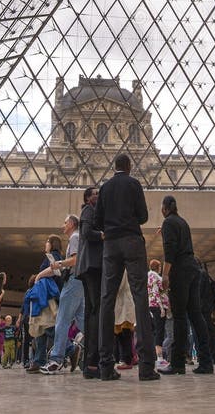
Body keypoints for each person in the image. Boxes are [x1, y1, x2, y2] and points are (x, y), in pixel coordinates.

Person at [95, 153, 159, 381]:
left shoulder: (105, 188)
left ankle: (105, 366)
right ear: (129, 166)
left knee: (107, 300)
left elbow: (97, 221)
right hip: (132, 241)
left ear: (115, 166)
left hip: (111, 245)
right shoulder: (133, 184)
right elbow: (143, 216)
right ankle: (146, 366)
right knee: (140, 297)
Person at [159, 194, 213, 375]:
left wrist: (165, 275)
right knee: (196, 315)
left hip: (180, 271)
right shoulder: (182, 222)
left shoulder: (168, 223)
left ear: (164, 209)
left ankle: (177, 364)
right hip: (192, 268)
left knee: (180, 317)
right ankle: (206, 361)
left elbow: (170, 251)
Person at [38, 214, 84, 374]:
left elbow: (76, 260)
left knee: (62, 320)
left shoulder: (75, 237)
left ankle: (56, 360)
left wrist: (59, 263)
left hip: (73, 282)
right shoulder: (77, 237)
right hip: (79, 282)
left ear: (71, 223)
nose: (63, 226)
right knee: (83, 321)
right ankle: (100, 352)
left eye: (65, 223)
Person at [75, 186, 104, 379]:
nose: (98, 195)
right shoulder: (88, 210)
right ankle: (93, 363)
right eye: (95, 194)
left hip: (88, 266)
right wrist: (103, 234)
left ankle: (89, 364)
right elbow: (87, 232)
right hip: (92, 265)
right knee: (95, 311)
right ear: (87, 198)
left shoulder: (91, 210)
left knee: (91, 312)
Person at [27, 235, 63, 373]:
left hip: (49, 297)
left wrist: (39, 276)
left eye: (47, 241)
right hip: (45, 295)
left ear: (53, 244)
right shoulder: (50, 256)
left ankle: (70, 349)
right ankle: (38, 360)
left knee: (49, 328)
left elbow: (55, 271)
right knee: (41, 328)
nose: (45, 244)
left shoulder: (54, 255)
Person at [148, 259, 169, 368]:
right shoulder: (155, 276)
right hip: (157, 306)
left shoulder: (148, 275)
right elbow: (156, 292)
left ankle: (157, 358)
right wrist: (161, 308)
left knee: (156, 331)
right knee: (159, 332)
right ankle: (160, 358)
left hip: (151, 305)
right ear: (158, 267)